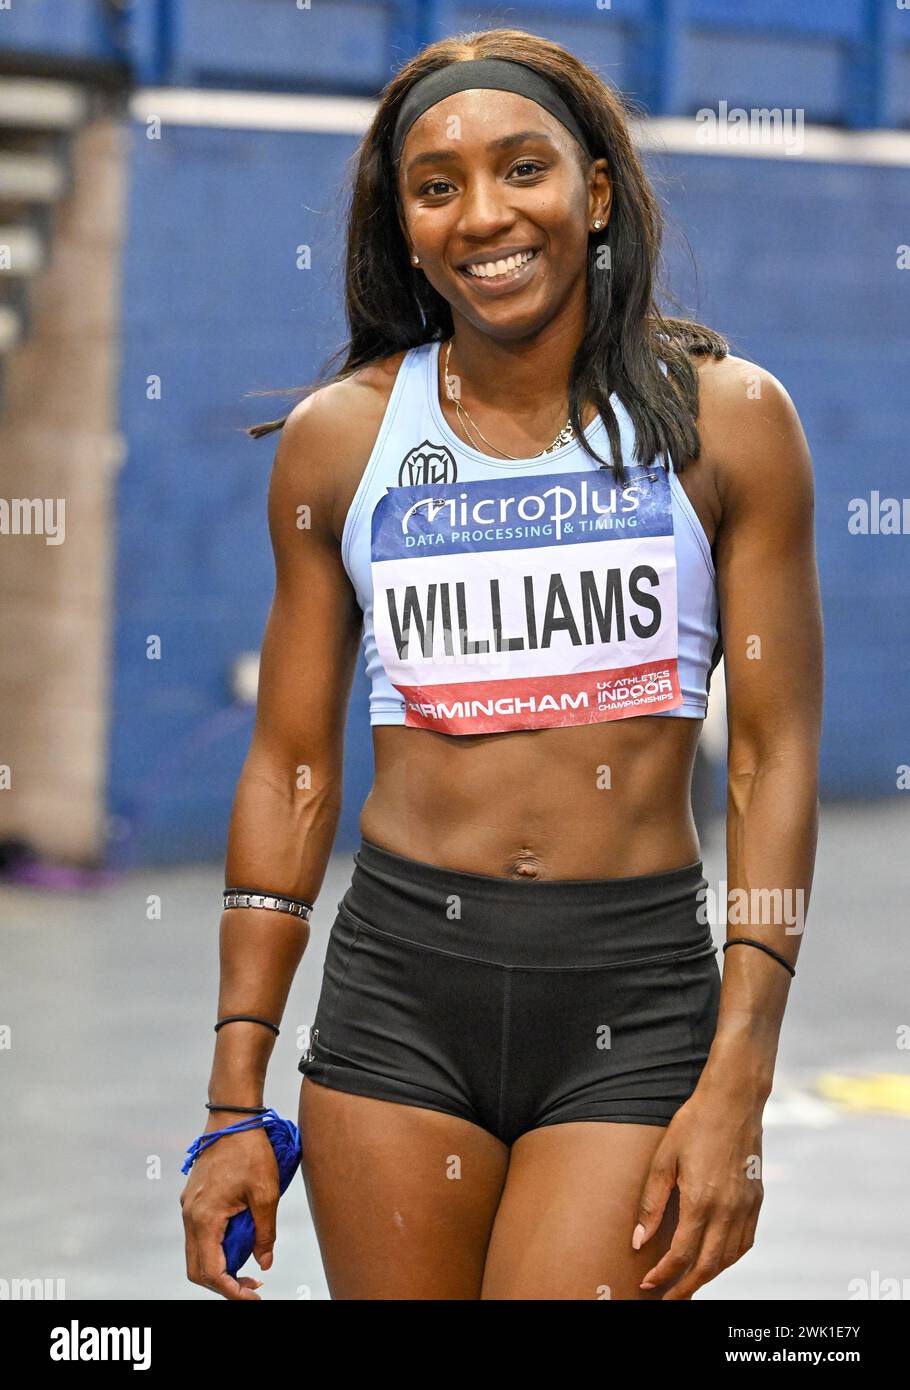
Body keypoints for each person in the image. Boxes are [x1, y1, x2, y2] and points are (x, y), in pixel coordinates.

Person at [180, 29, 822, 1301]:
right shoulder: (337, 443)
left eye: (521, 169)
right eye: (436, 187)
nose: (484, 215)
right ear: (406, 225)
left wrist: (739, 1073)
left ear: (592, 192)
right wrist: (230, 1100)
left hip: (630, 1002)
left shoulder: (727, 422)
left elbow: (769, 754)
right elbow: (295, 770)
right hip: (397, 1000)